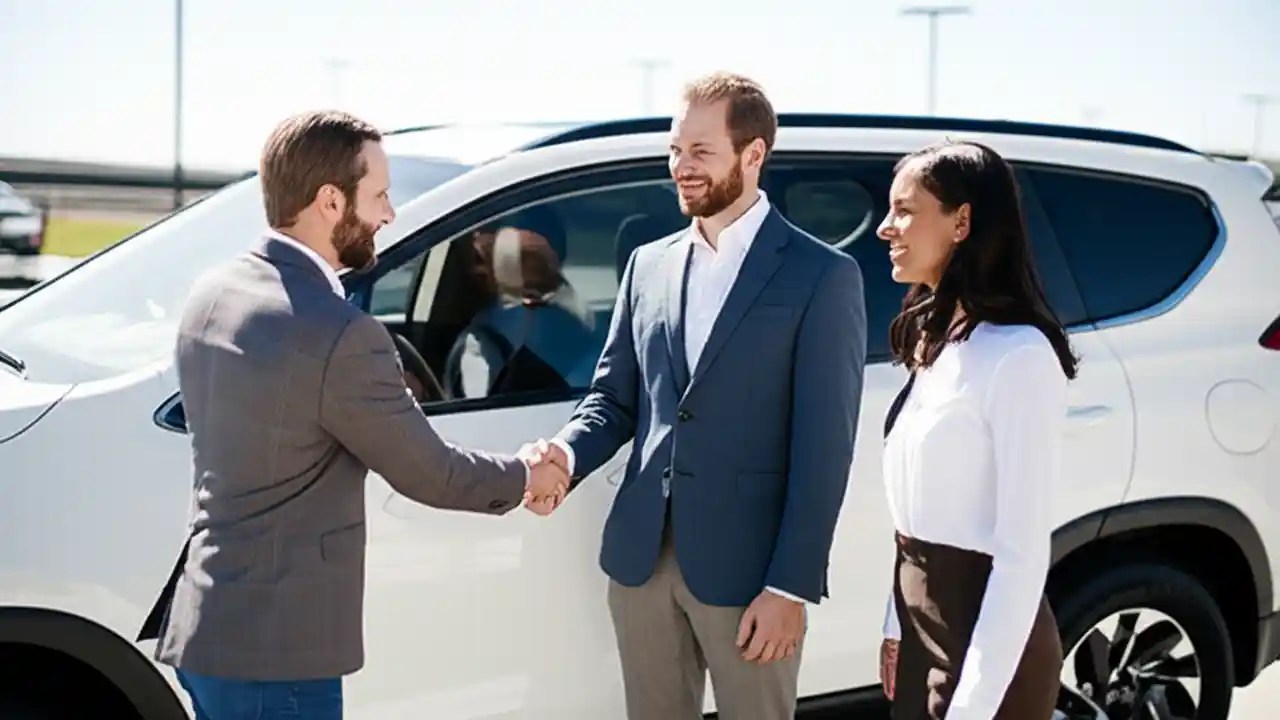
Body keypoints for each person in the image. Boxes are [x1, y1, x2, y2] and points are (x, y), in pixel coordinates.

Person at [137, 110, 568, 720]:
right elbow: (431, 472)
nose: (390, 214)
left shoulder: (213, 292)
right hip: (280, 654)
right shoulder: (340, 333)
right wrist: (529, 475)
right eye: (381, 196)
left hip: (207, 625)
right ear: (331, 201)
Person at [522, 71, 868, 720]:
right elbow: (614, 400)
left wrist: (790, 585)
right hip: (641, 562)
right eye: (675, 149)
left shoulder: (822, 276)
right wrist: (564, 457)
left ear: (753, 155)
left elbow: (825, 449)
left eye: (701, 152)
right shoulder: (646, 265)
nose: (681, 167)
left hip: (752, 574)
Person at [874, 139, 1075, 719]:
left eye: (905, 210)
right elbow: (914, 508)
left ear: (962, 221)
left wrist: (974, 706)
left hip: (989, 650)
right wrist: (897, 618)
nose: (887, 228)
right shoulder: (930, 341)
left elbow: (1020, 556)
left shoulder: (1020, 356)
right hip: (920, 629)